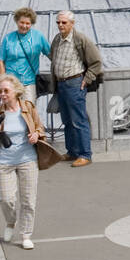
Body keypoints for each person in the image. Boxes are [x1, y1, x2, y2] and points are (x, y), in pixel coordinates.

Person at [0, 74, 42, 249]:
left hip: (27, 159)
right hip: (5, 160)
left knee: (28, 200)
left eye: (6, 90)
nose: (2, 94)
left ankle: (26, 234)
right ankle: (11, 222)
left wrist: (36, 134)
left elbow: (40, 127)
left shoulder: (27, 107)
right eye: (0, 91)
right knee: (6, 199)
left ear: (16, 91)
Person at [47, 10, 102, 167]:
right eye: (58, 22)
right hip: (61, 84)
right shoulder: (57, 39)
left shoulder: (80, 39)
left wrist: (87, 79)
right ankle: (72, 152)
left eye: (64, 22)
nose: (60, 25)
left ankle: (85, 154)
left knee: (78, 120)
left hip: (74, 83)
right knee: (67, 120)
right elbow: (53, 57)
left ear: (72, 23)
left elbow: (96, 61)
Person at [0, 7, 49, 103]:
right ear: (17, 21)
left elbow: (51, 55)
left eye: (27, 23)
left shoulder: (39, 36)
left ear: (31, 24)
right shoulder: (8, 38)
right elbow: (0, 60)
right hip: (11, 83)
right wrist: (2, 82)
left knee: (28, 113)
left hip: (29, 83)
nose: (24, 26)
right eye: (22, 22)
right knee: (8, 113)